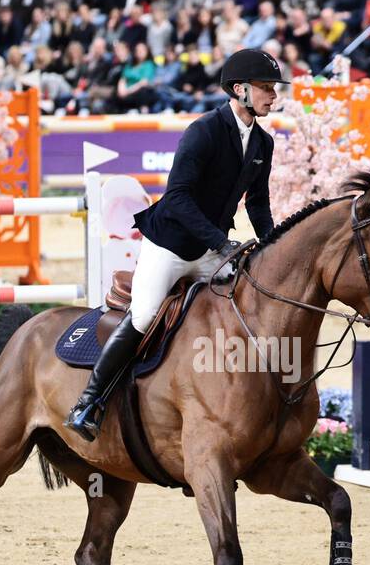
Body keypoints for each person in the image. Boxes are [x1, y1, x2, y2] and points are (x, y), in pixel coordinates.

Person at [64, 49, 285, 441]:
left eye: (273, 89)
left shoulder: (262, 144)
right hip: (171, 244)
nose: (273, 96)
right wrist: (221, 243)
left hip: (213, 250)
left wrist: (273, 247)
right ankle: (89, 402)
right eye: (266, 88)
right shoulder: (203, 131)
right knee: (145, 314)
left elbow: (258, 203)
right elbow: (178, 196)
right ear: (240, 90)